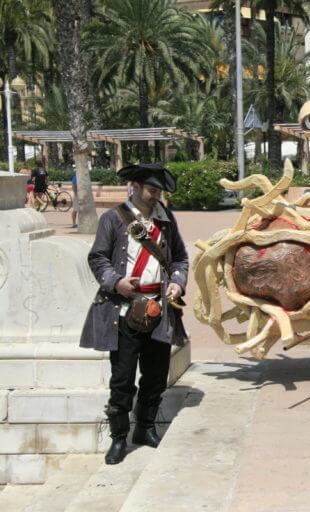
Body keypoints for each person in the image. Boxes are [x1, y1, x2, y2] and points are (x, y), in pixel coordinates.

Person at [80, 163, 189, 465]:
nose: (157, 196)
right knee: (123, 379)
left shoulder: (166, 220)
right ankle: (118, 439)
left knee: (155, 376)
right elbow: (97, 257)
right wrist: (117, 282)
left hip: (159, 309)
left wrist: (178, 284)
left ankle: (145, 428)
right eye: (152, 190)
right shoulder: (113, 219)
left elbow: (180, 259)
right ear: (136, 187)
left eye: (159, 191)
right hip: (124, 309)